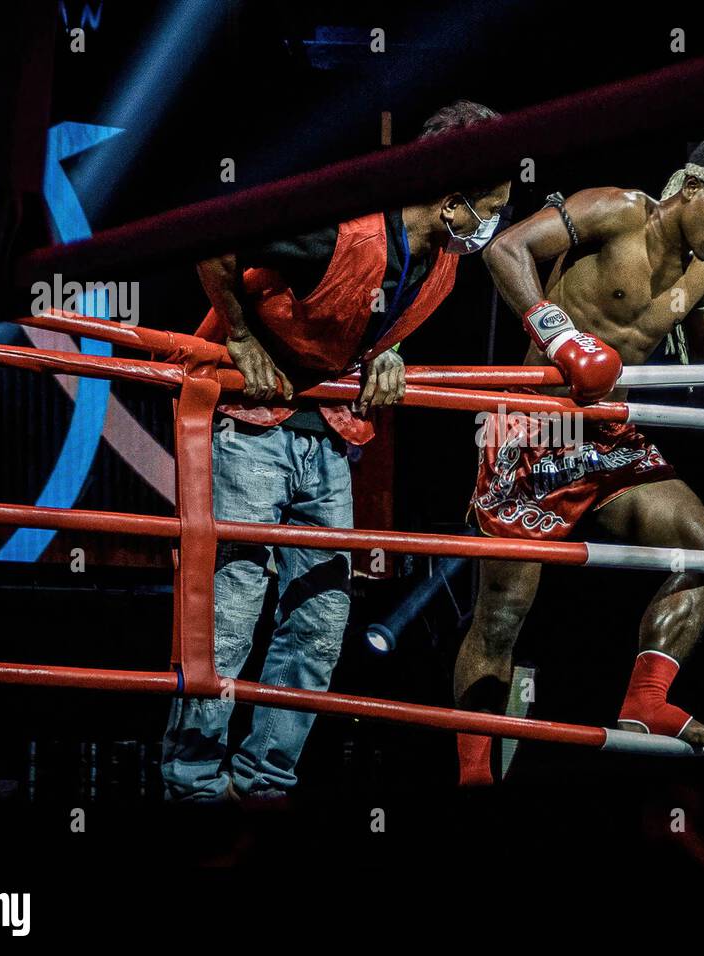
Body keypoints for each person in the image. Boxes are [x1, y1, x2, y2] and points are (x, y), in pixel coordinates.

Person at [455, 131, 704, 783]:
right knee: (503, 615)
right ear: (694, 190)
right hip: (536, 429)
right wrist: (560, 338)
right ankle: (473, 783)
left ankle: (646, 700)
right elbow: (506, 249)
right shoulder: (614, 210)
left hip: (609, 438)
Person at [161, 100, 512, 802]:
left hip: (330, 438)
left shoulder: (439, 258)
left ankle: (263, 786)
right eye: (493, 206)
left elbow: (378, 305)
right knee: (229, 611)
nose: (496, 221)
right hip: (248, 424)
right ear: (451, 203)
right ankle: (193, 788)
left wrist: (391, 351)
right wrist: (236, 335)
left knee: (322, 621)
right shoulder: (336, 225)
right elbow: (215, 237)